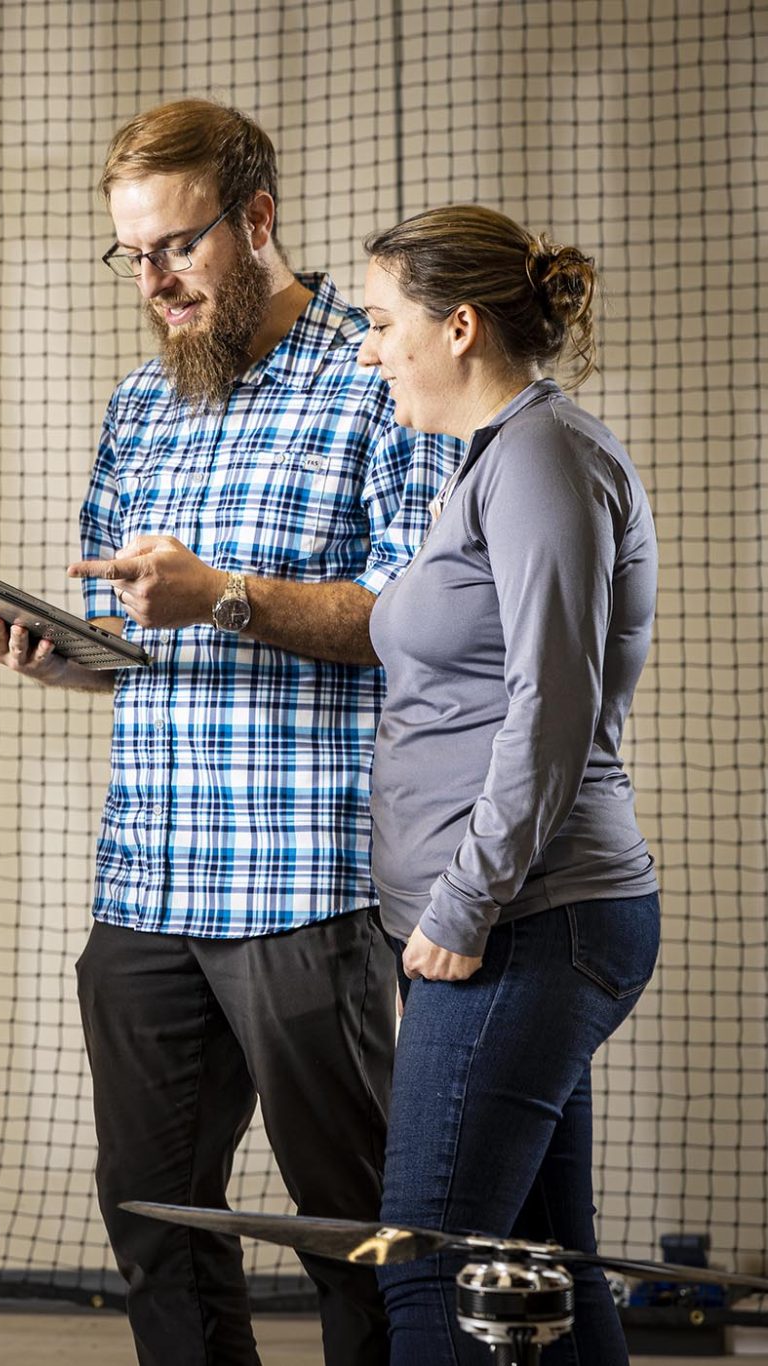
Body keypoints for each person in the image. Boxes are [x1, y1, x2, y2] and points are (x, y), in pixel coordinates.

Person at [0, 99, 459, 1366]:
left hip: (308, 882)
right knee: (155, 1225)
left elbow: (419, 618)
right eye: (129, 254)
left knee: (355, 1237)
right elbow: (143, 640)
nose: (154, 279)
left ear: (258, 220)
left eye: (177, 246)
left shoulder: (375, 372)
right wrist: (61, 655)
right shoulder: (139, 406)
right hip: (147, 881)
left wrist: (224, 595)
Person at [357, 207, 658, 1364]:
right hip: (505, 925)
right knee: (541, 1270)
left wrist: (456, 907)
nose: (368, 349)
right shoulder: (494, 460)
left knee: (426, 1270)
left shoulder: (537, 454)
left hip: (525, 922)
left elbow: (551, 703)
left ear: (460, 326)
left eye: (382, 325)